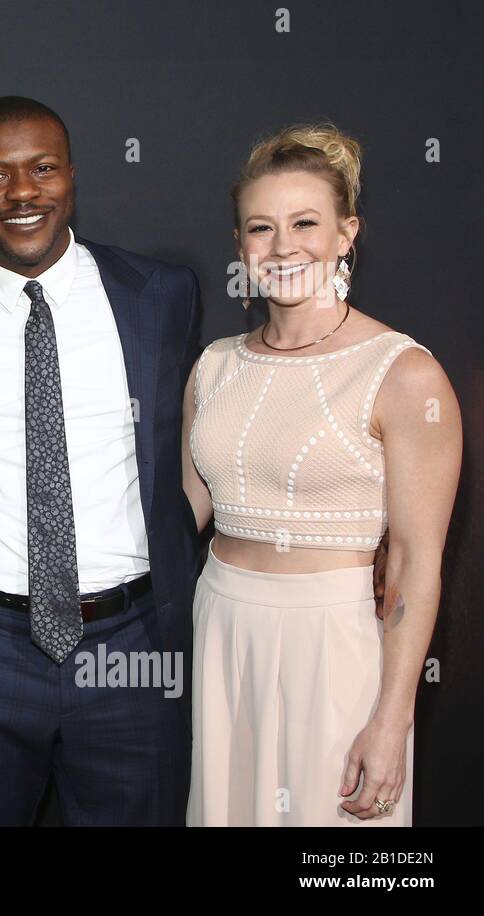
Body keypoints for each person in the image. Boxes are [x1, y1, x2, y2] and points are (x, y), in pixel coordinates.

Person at [0, 96, 201, 826]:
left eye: (43, 168)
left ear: (73, 178)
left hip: (134, 644)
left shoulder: (161, 296)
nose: (23, 192)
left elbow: (204, 441)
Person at [183, 124, 461, 826]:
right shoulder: (213, 366)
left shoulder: (403, 372)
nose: (282, 247)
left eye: (305, 222)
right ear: (241, 244)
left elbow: (416, 563)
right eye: (260, 227)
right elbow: (179, 516)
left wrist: (392, 721)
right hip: (223, 628)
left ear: (346, 234)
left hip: (334, 646)